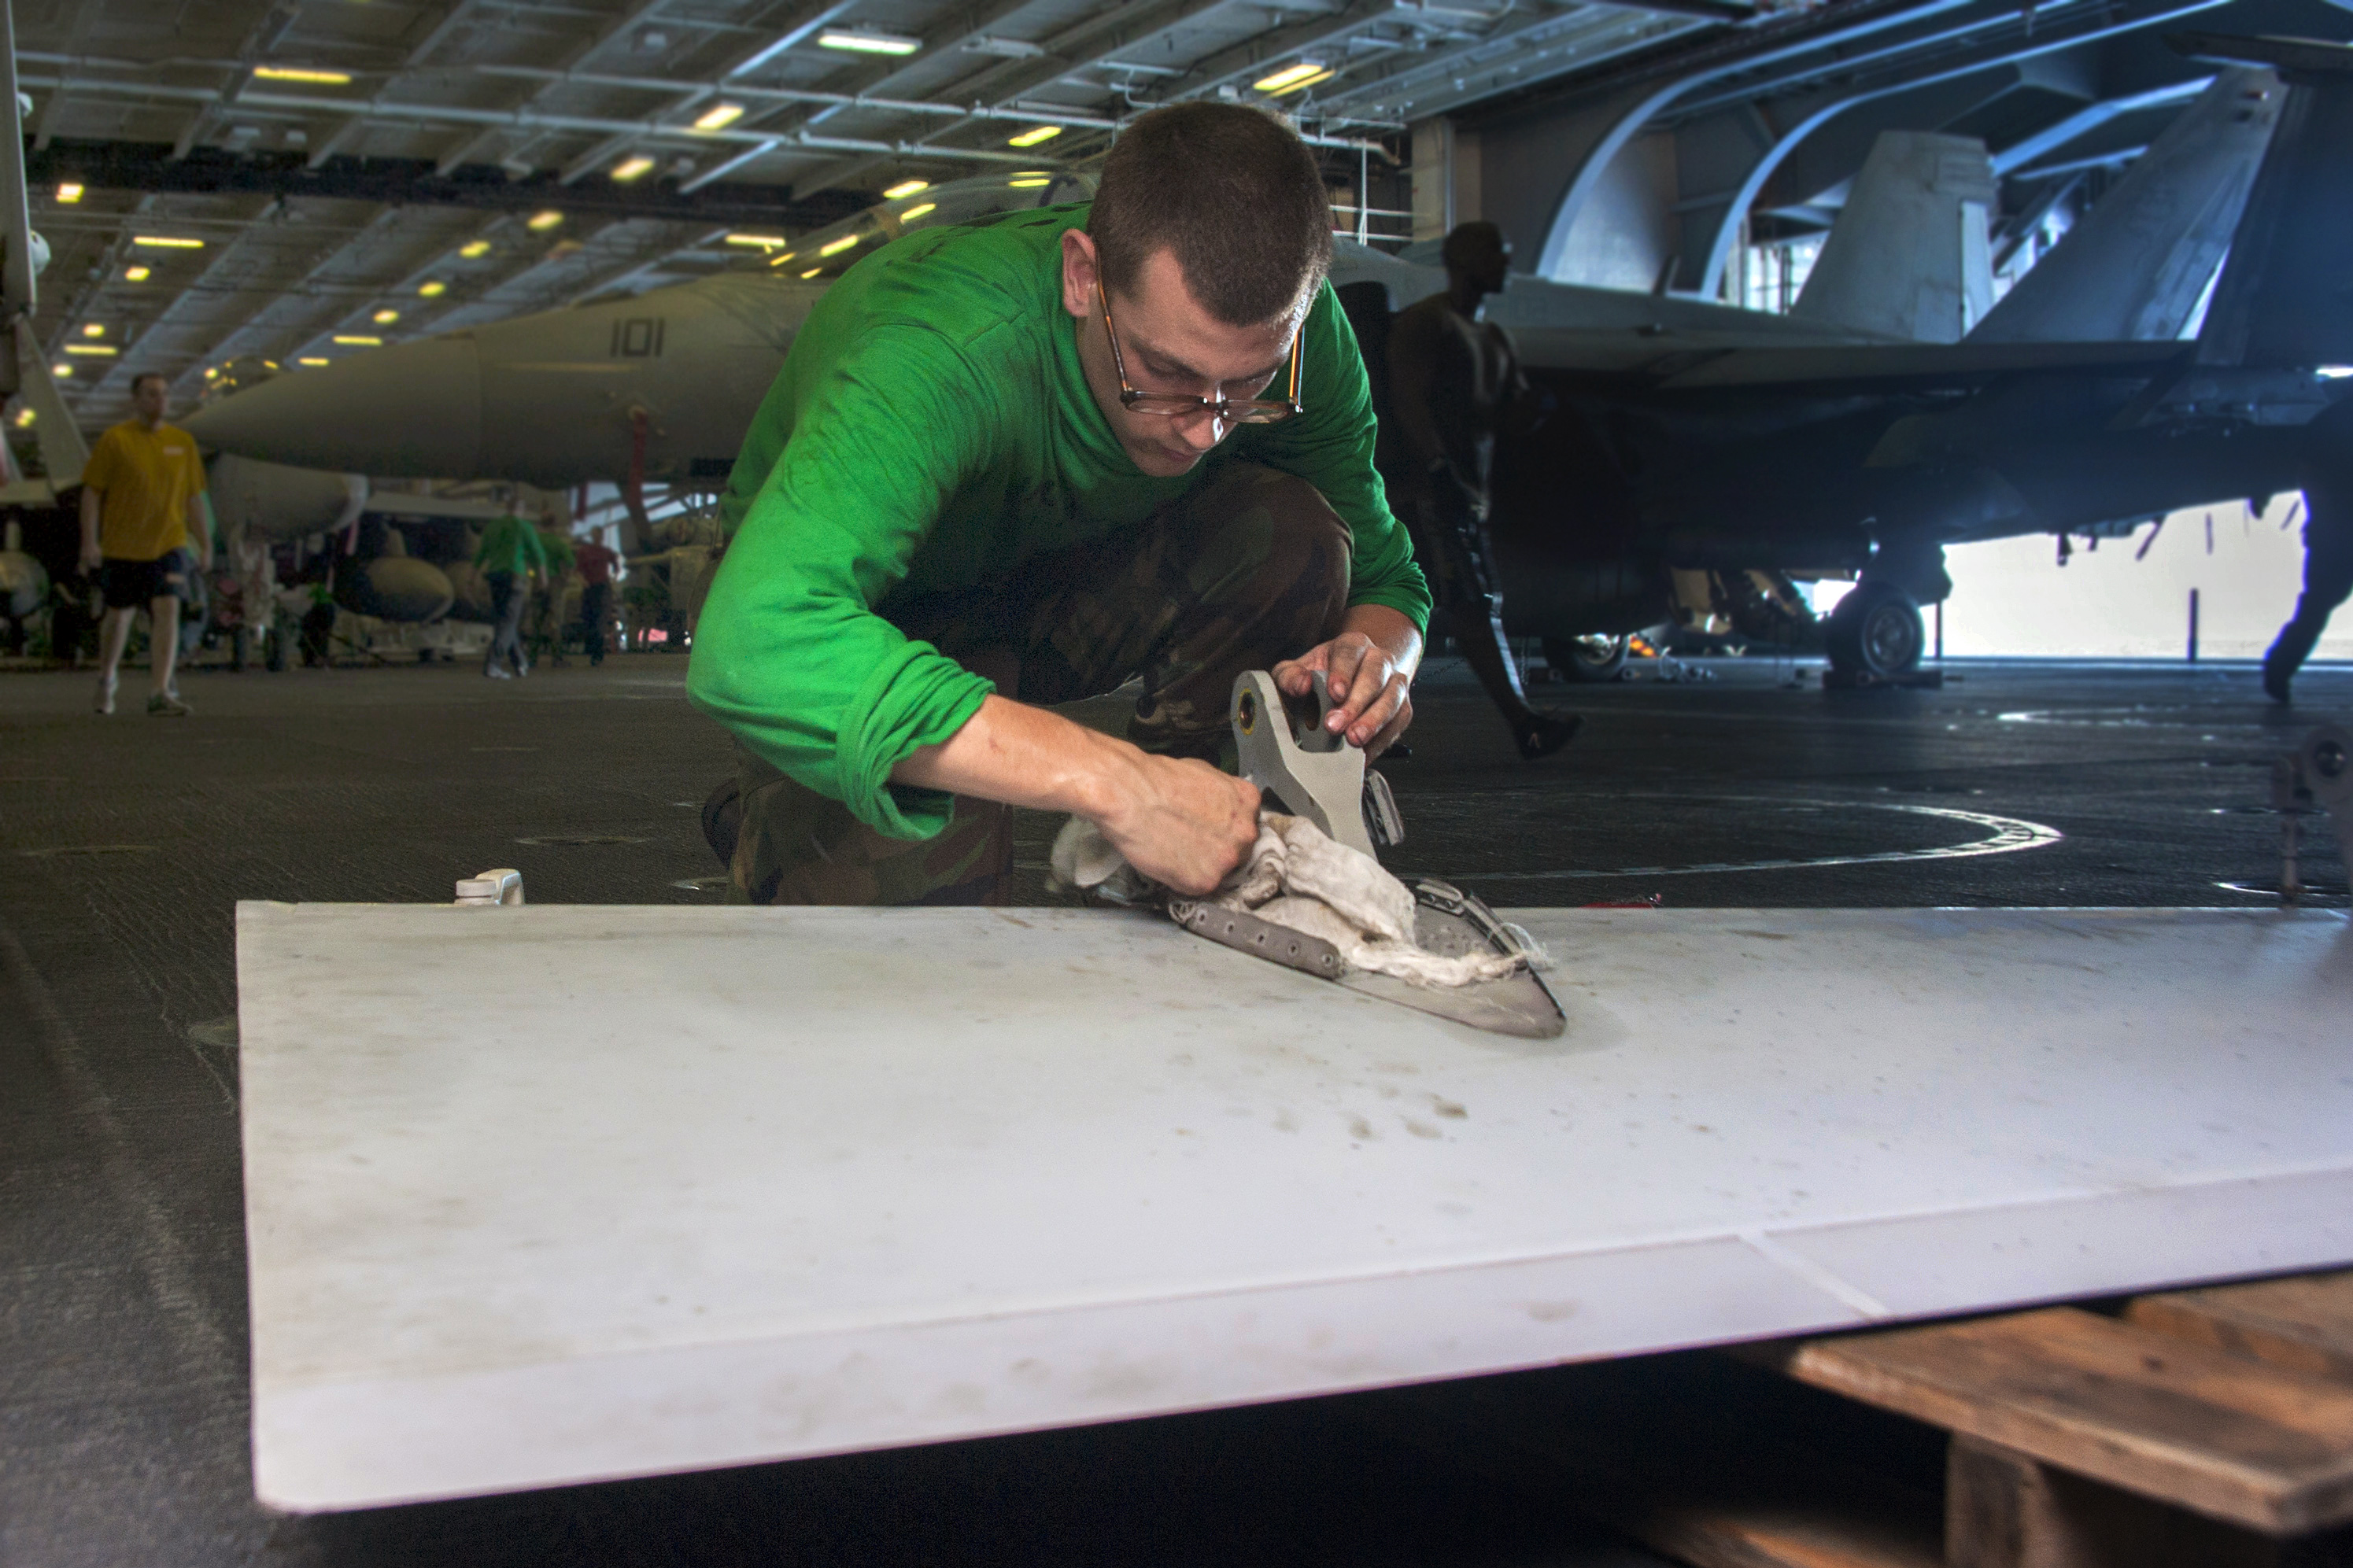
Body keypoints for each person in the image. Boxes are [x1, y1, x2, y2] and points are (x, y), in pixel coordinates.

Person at [689, 103, 1430, 906]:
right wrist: (1110, 779)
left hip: (1047, 582)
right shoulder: (939, 351)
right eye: (1163, 373)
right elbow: (753, 639)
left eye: (1245, 388)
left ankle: (1196, 843)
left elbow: (1386, 578)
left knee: (1296, 534)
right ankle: (783, 815)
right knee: (922, 953)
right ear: (1084, 278)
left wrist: (1373, 664)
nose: (1204, 431)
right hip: (875, 618)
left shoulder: (1293, 333)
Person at [1385, 222, 1579, 760]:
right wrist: (1439, 468)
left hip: (1461, 494)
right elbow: (1409, 400)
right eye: (1495, 252)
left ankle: (1367, 727)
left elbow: (1502, 416)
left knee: (1433, 607)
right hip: (1425, 492)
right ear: (1463, 258)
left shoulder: (1492, 338)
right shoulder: (1428, 324)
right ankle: (1524, 723)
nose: (1505, 263)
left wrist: (1534, 410)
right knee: (1459, 606)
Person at [79, 371, 214, 717]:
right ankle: (107, 678)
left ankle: (160, 689)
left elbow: (193, 499)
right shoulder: (115, 440)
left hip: (168, 543)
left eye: (165, 393)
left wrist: (205, 543)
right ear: (135, 400)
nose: (161, 400)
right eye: (152, 394)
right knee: (119, 616)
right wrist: (89, 542)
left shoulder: (182, 443)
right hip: (123, 546)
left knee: (168, 608)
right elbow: (92, 492)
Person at [2262, 397, 2353, 703]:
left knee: (2316, 606)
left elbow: (2309, 474)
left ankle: (2279, 670)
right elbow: (2311, 475)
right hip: (2335, 531)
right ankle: (2279, 670)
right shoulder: (2334, 423)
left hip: (2332, 531)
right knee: (2318, 605)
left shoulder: (2330, 421)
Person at [473, 511, 548, 679]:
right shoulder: (523, 526)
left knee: (504, 620)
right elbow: (537, 553)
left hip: (495, 578)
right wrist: (542, 578)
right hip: (515, 577)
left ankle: (520, 663)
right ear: (520, 509)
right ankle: (493, 663)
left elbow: (481, 553)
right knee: (509, 621)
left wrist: (472, 577)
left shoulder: (492, 527)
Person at [531, 518, 577, 666]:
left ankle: (531, 658)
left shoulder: (534, 541)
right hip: (554, 582)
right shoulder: (558, 542)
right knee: (556, 620)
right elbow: (570, 562)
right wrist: (566, 578)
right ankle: (556, 657)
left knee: (536, 620)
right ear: (553, 526)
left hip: (537, 581)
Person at [574, 532, 622, 666]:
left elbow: (616, 565)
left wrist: (612, 580)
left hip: (602, 587)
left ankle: (597, 653)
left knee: (600, 620)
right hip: (589, 587)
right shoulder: (584, 551)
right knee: (589, 618)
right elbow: (577, 569)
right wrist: (583, 582)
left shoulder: (605, 552)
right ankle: (592, 649)